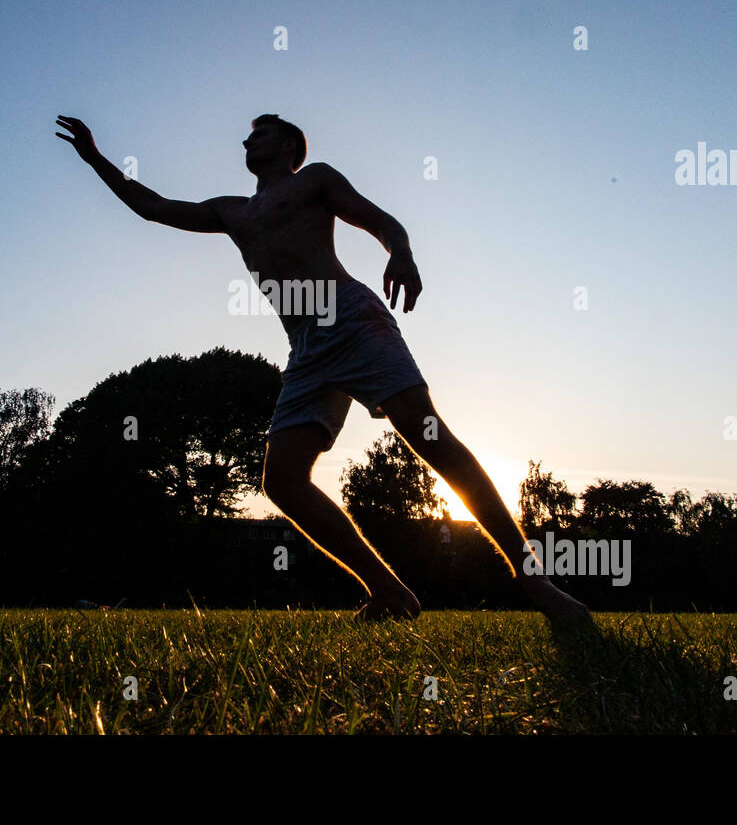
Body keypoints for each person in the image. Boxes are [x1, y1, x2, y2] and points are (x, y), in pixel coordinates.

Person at [56, 113, 593, 628]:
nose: (247, 144)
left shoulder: (314, 180)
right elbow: (152, 206)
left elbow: (381, 221)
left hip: (354, 322)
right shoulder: (231, 211)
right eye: (246, 139)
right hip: (306, 349)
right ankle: (389, 591)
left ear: (289, 146)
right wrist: (95, 158)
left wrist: (400, 253)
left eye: (259, 135)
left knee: (430, 438)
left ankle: (534, 583)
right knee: (283, 481)